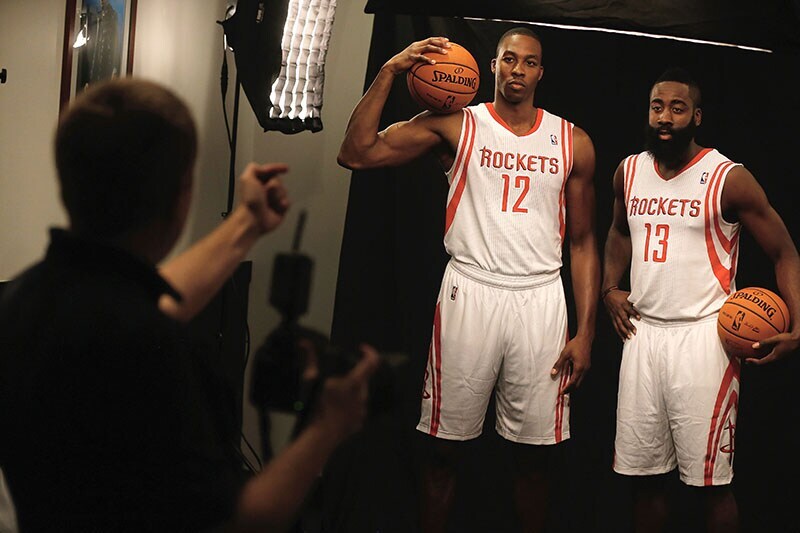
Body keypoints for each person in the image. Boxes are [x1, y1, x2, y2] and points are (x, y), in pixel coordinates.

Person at [0, 78, 379, 532]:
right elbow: (238, 521)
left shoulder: (24, 301)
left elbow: (141, 298)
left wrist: (246, 224)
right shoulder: (154, 350)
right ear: (182, 195)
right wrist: (325, 427)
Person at [338, 27, 600, 532]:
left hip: (541, 299)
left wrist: (586, 334)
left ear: (541, 72)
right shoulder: (457, 126)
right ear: (493, 64)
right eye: (508, 60)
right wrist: (391, 70)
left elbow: (584, 243)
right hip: (470, 290)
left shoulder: (574, 142)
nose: (517, 71)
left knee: (534, 463)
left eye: (528, 63)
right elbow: (356, 152)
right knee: (442, 452)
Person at [601, 67, 800, 532]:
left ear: (696, 117)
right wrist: (610, 288)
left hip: (704, 340)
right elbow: (616, 233)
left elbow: (784, 251)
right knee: (643, 481)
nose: (664, 118)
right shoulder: (628, 171)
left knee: (712, 485)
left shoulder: (727, 177)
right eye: (656, 107)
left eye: (676, 108)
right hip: (643, 336)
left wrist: (797, 328)